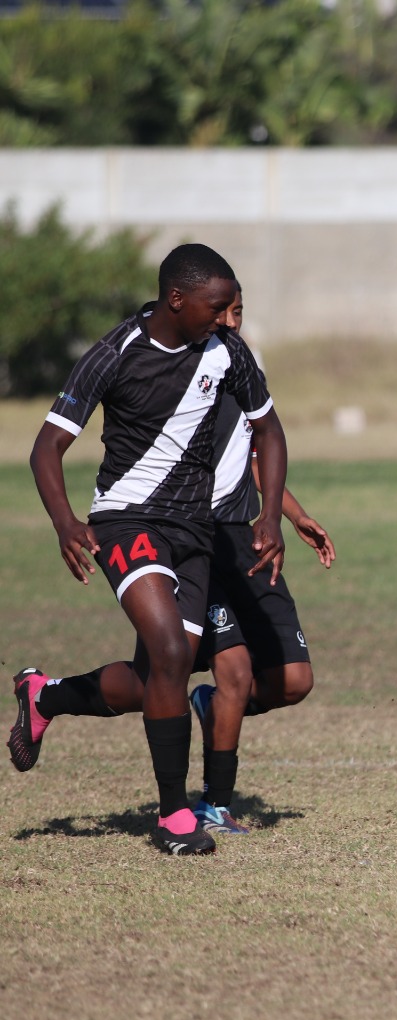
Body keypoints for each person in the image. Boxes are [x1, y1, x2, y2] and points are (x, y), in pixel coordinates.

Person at [19, 283, 335, 835]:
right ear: (179, 302)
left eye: (237, 312)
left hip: (236, 537)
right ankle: (202, 806)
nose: (230, 323)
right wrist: (69, 519)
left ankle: (49, 694)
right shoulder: (156, 363)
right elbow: (62, 443)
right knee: (200, 667)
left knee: (258, 679)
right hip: (179, 529)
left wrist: (284, 512)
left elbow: (258, 445)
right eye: (221, 311)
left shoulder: (231, 358)